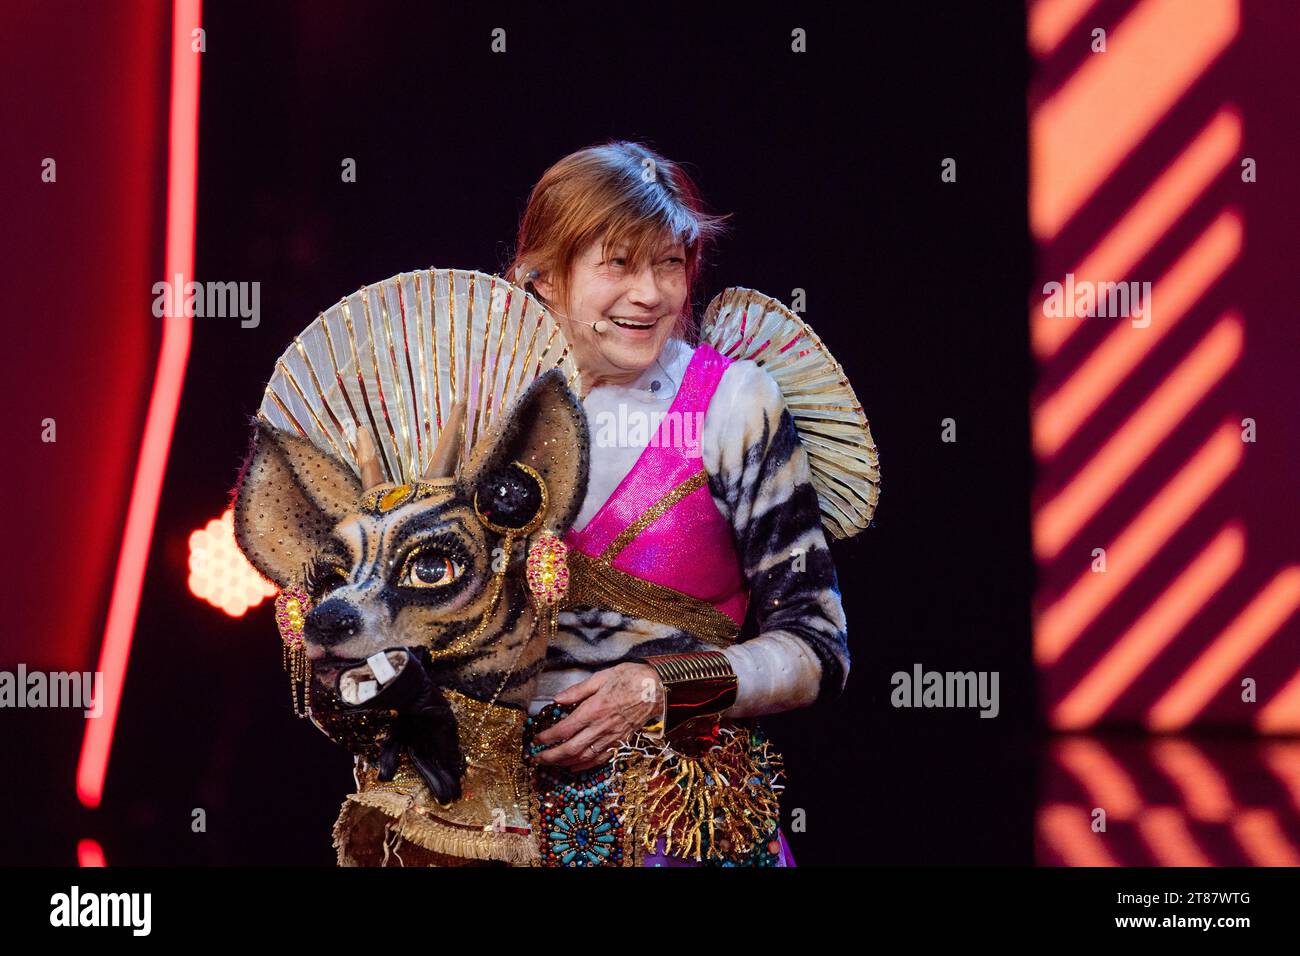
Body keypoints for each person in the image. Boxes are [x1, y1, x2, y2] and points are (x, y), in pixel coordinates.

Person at [503, 141, 853, 866]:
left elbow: (819, 649)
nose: (652, 293)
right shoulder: (479, 415)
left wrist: (658, 687)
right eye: (620, 263)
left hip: (683, 830)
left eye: (670, 263)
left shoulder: (733, 405)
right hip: (498, 827)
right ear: (544, 276)